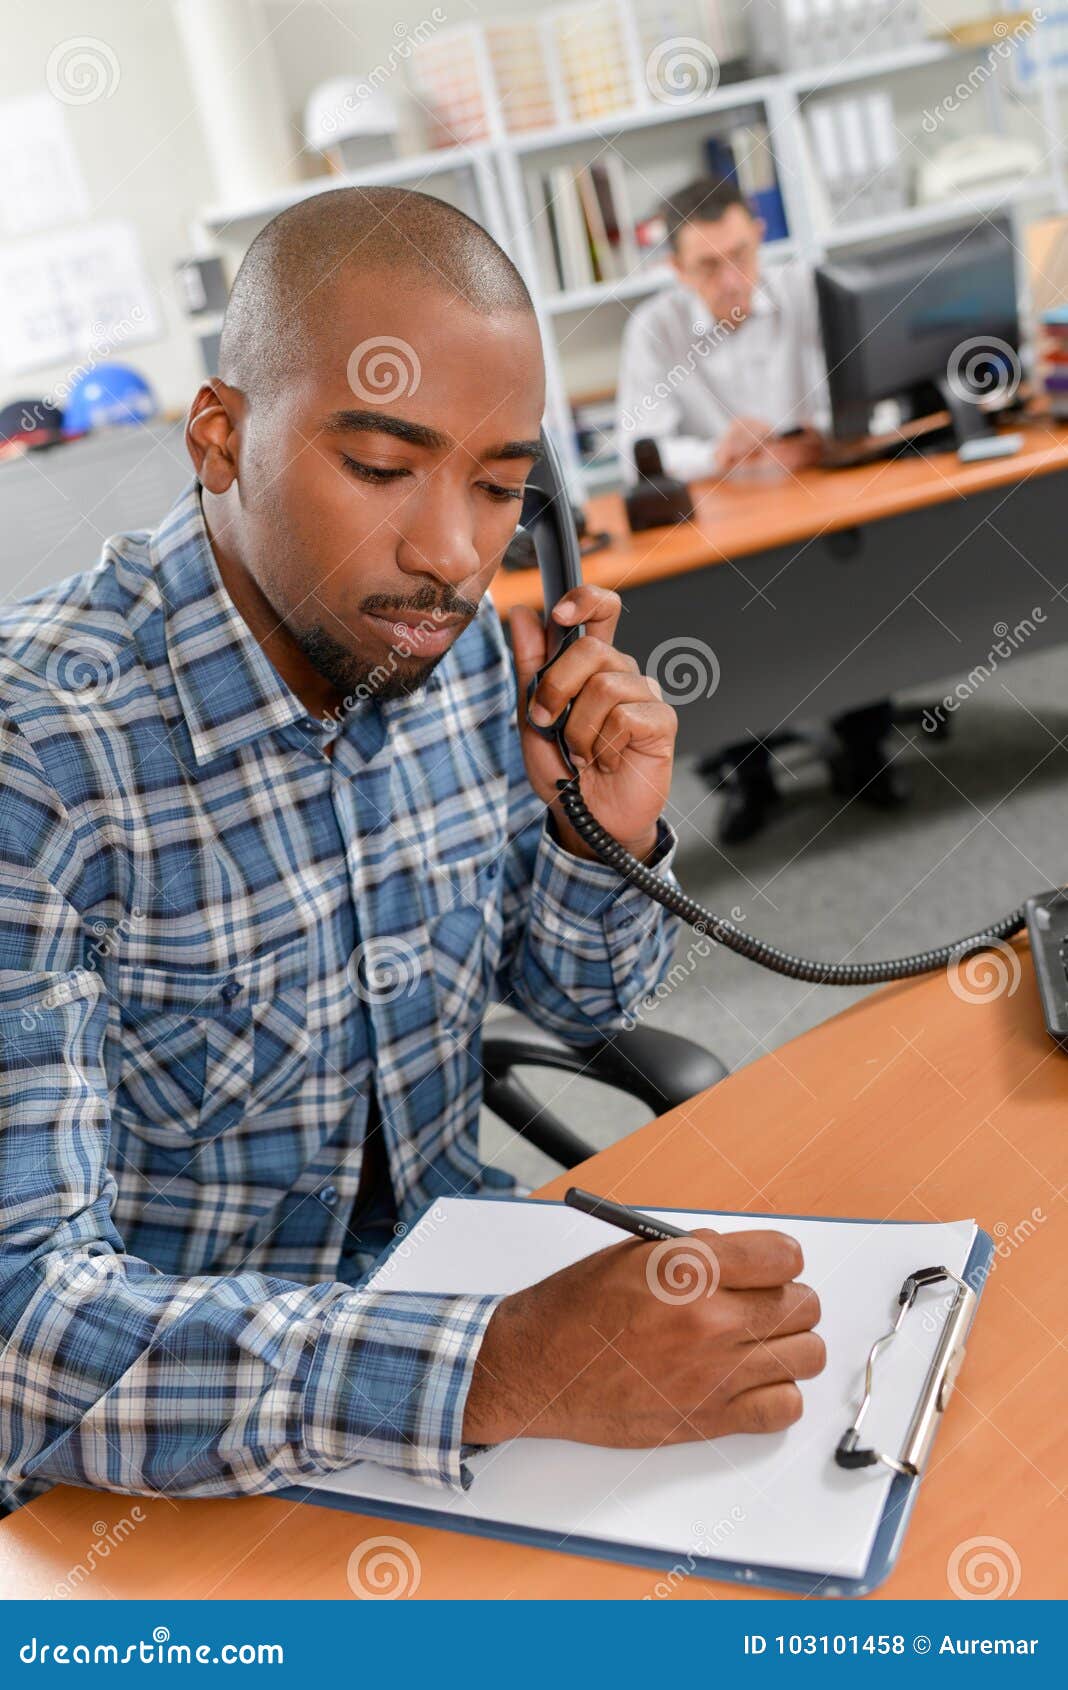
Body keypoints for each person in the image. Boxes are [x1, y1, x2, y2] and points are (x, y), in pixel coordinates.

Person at [0, 186, 823, 1519]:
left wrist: (591, 838)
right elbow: (22, 1323)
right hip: (165, 1457)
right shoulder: (37, 755)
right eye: (383, 468)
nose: (450, 553)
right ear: (220, 439)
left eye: (501, 486)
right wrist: (490, 1368)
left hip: (465, 1306)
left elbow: (578, 1003)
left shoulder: (444, 654)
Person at [615, 176, 907, 844]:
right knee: (711, 617)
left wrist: (828, 431)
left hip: (820, 504)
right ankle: (748, 775)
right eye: (708, 266)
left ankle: (864, 745)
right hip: (720, 524)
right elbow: (640, 450)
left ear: (760, 239)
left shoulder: (811, 292)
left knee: (863, 584)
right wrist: (713, 452)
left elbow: (881, 395)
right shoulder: (654, 331)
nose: (732, 278)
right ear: (675, 270)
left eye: (742, 254)